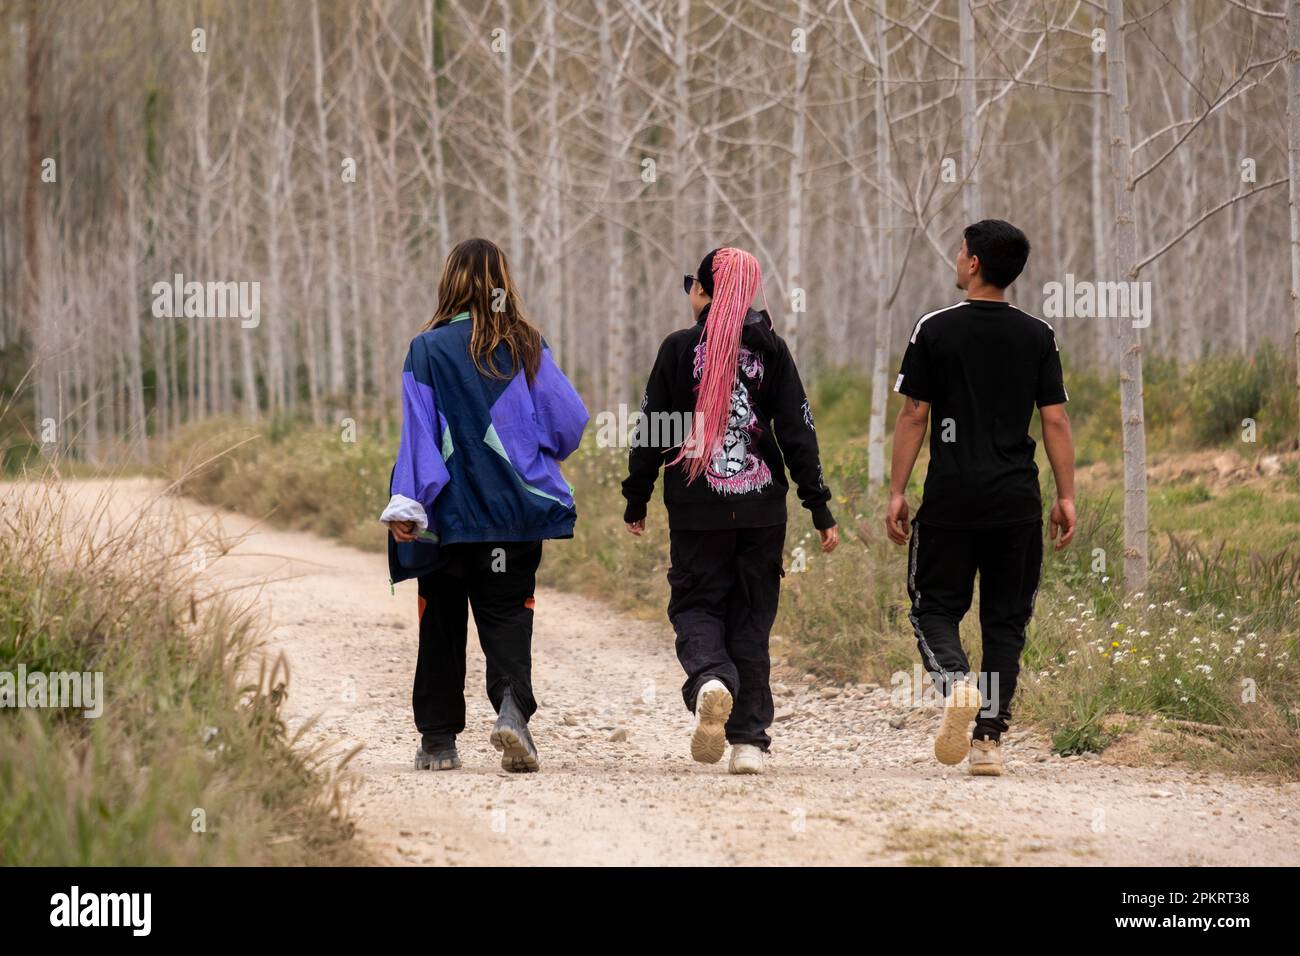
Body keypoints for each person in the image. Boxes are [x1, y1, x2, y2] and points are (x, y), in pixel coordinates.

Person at [622, 247, 838, 775]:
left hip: (699, 511)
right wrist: (819, 506)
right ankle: (748, 744)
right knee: (751, 619)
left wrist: (637, 495)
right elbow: (798, 433)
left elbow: (653, 430)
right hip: (763, 512)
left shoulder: (677, 349)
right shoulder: (775, 352)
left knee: (696, 606)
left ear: (704, 289)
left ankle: (712, 680)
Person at [381, 237, 588, 774]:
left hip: (448, 522)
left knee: (441, 622)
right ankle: (512, 711)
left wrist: (407, 503)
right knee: (507, 618)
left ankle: (438, 740)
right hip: (513, 519)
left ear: (450, 282)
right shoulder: (527, 344)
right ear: (503, 283)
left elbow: (419, 437)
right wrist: (528, 441)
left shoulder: (426, 349)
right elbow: (569, 424)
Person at [886, 219, 1076, 777]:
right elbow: (1056, 420)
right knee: (1005, 621)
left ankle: (956, 682)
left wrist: (897, 491)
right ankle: (989, 740)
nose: (955, 257)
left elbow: (914, 413)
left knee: (933, 606)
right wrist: (1066, 496)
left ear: (973, 264)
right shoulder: (1038, 335)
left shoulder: (935, 329)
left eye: (959, 251)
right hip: (1016, 500)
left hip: (951, 500)